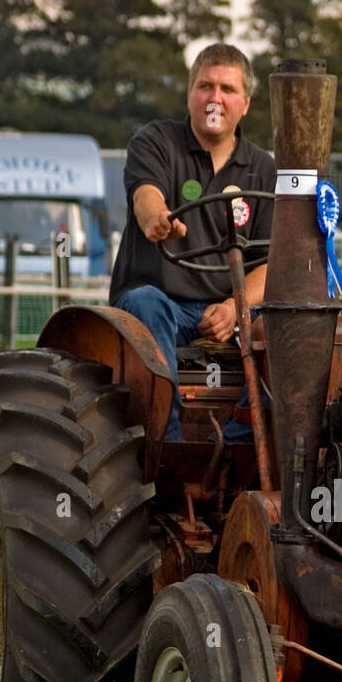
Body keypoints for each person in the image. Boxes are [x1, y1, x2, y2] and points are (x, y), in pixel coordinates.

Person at [109, 43, 275, 439]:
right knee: (145, 302)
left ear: (245, 103)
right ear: (190, 95)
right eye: (206, 86)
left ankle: (252, 433)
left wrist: (235, 310)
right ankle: (169, 439)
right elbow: (145, 194)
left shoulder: (263, 170)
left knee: (281, 325)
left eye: (227, 89)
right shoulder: (156, 142)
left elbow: (270, 264)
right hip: (163, 304)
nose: (215, 98)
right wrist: (156, 219)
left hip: (227, 310)